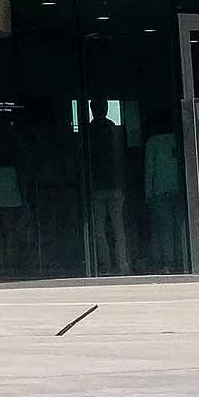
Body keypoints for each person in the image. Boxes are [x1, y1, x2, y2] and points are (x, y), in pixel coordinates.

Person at [85, 100, 130, 275]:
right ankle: (122, 264)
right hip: (115, 185)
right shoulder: (113, 129)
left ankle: (105, 265)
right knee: (119, 228)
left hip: (96, 186)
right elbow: (120, 158)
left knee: (99, 230)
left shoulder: (89, 131)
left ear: (92, 110)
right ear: (105, 109)